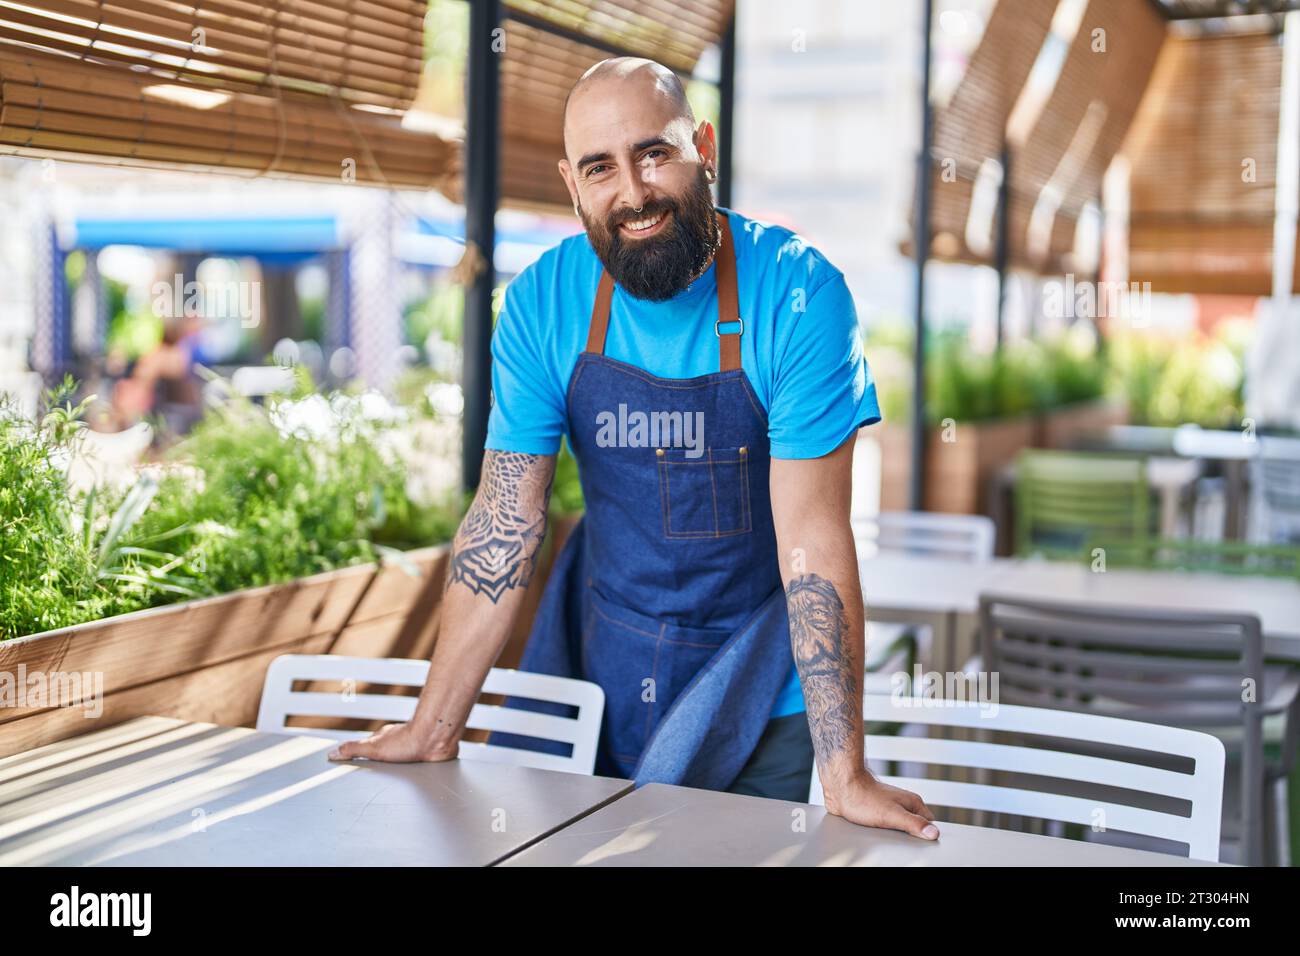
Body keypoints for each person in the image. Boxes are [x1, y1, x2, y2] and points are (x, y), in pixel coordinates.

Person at [329, 57, 939, 841]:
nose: (634, 192)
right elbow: (505, 521)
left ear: (704, 147)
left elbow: (814, 544)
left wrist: (845, 774)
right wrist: (434, 727)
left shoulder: (799, 294)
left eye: (655, 153)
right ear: (571, 185)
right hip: (600, 664)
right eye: (600, 169)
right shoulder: (542, 303)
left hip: (758, 679)